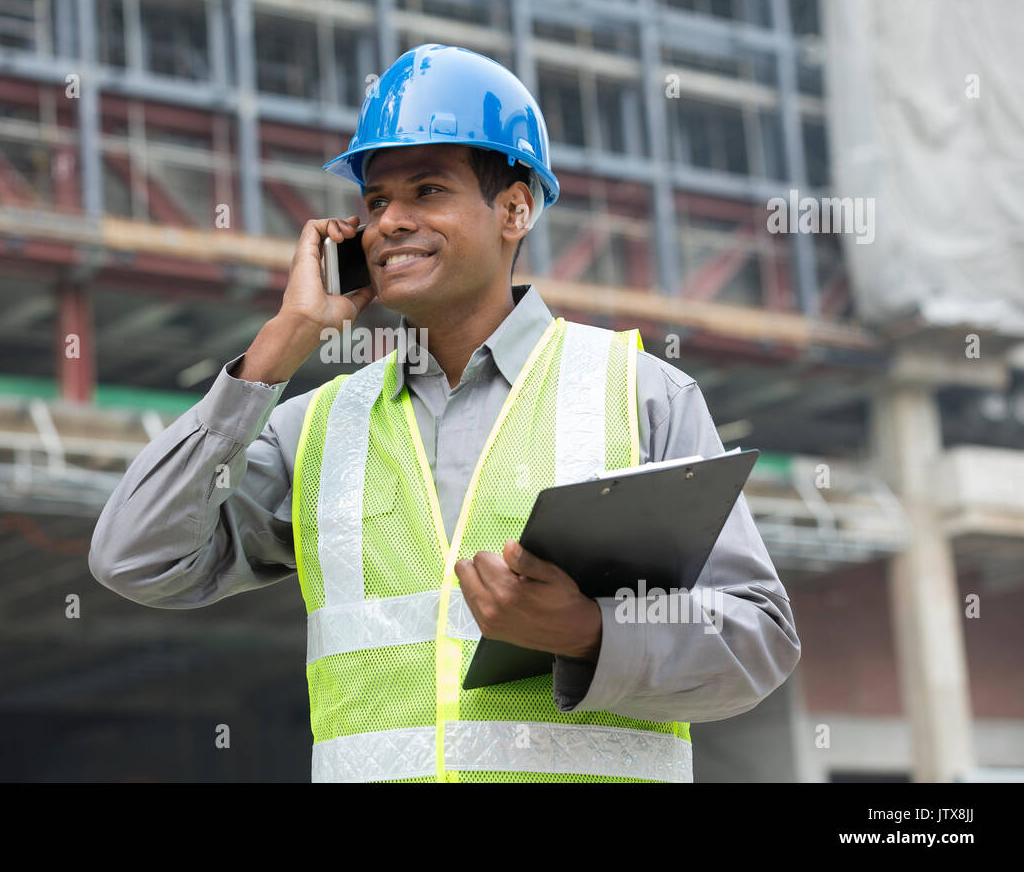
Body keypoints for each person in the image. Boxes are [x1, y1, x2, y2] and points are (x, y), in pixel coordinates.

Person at [89, 44, 800, 782]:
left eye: (428, 191)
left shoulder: (639, 393)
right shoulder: (318, 427)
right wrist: (281, 345)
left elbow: (759, 641)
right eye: (375, 202)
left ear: (515, 209)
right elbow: (135, 560)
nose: (390, 221)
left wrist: (588, 633)